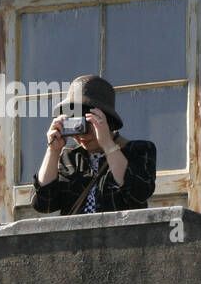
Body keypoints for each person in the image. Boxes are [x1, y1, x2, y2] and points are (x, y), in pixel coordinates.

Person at [31, 75, 156, 215]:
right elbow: (43, 204)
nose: (82, 134)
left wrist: (107, 144)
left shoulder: (139, 150)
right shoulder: (69, 156)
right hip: (77, 235)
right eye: (76, 125)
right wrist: (53, 150)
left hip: (120, 234)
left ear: (107, 121)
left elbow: (137, 194)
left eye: (88, 124)